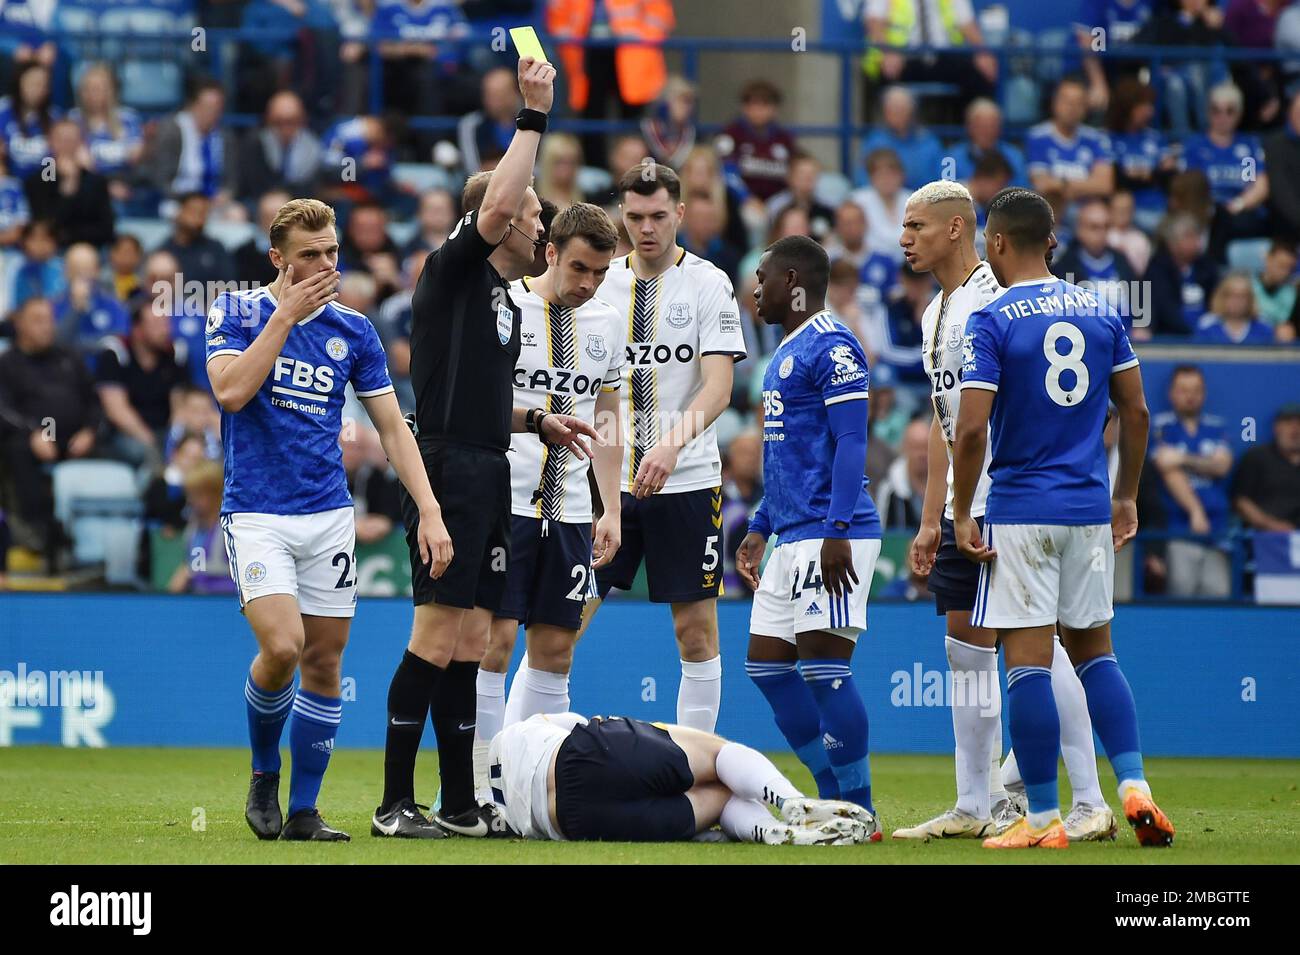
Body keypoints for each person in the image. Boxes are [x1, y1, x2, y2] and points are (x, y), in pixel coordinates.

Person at [372, 57, 599, 841]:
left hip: (490, 465)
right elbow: (501, 198)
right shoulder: (453, 273)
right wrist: (533, 118)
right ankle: (393, 803)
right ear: (496, 222)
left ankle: (459, 801)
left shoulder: (503, 300)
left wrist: (538, 423)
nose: (540, 223)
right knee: (434, 637)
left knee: (471, 640)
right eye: (532, 214)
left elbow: (481, 402)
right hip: (445, 470)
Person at [205, 197, 453, 842]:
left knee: (324, 663)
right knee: (282, 646)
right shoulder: (236, 311)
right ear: (278, 259)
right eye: (309, 254)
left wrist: (428, 509)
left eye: (332, 253)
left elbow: (393, 428)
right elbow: (231, 392)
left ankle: (306, 811)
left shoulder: (356, 330)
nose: (323, 265)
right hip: (257, 512)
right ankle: (264, 771)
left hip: (328, 517)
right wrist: (284, 319)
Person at [952, 187, 1174, 849]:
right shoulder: (1102, 312)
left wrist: (963, 511)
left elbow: (969, 431)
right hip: (1086, 508)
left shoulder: (991, 318)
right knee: (1096, 656)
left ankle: (1044, 817)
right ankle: (1133, 783)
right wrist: (1126, 493)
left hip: (1021, 507)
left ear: (995, 243)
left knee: (1025, 665)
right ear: (1050, 240)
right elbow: (1135, 413)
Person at [894, 180, 1110, 843]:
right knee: (963, 648)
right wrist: (932, 518)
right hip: (965, 507)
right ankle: (977, 798)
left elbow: (1010, 417)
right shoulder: (936, 312)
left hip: (1005, 505)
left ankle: (1090, 799)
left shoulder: (1000, 302)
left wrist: (983, 504)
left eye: (917, 226)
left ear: (958, 229)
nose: (905, 238)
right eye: (902, 226)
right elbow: (946, 422)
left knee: (1040, 653)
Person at [576, 162, 747, 736]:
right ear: (620, 215)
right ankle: (520, 768)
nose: (646, 228)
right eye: (634, 216)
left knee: (695, 632)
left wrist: (671, 446)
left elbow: (718, 386)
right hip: (605, 486)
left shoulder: (708, 282)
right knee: (564, 622)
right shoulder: (600, 282)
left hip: (688, 481)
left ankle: (694, 763)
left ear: (679, 211)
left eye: (657, 215)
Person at [474, 203, 626, 796]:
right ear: (552, 251)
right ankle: (477, 785)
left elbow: (610, 413)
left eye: (600, 272)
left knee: (557, 647)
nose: (588, 284)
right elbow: (475, 403)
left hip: (569, 507)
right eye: (580, 268)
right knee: (494, 642)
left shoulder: (610, 322)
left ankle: (524, 783)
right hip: (502, 497)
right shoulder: (503, 305)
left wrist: (610, 505)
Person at [734, 235, 882, 836]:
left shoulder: (833, 343)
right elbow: (790, 457)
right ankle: (832, 796)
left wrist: (838, 527)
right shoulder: (783, 353)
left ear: (792, 281)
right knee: (766, 667)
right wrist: (759, 526)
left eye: (763, 276)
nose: (754, 288)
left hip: (832, 531)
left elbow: (851, 441)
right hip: (791, 531)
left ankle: (862, 809)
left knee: (825, 669)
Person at [487, 712, 876, 844]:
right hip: (575, 755)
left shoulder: (485, 807)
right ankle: (788, 801)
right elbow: (585, 725)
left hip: (570, 821)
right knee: (716, 752)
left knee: (721, 800)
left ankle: (769, 832)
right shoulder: (515, 732)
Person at [0, 297, 99, 565]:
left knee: (117, 453)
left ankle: (94, 544)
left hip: (77, 440)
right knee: (16, 450)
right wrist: (33, 432)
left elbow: (93, 400)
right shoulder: (7, 363)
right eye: (38, 321)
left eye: (49, 320)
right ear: (19, 324)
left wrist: (90, 431)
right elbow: (4, 408)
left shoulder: (69, 357)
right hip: (30, 441)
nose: (47, 327)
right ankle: (36, 534)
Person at [1151, 366, 1233, 598]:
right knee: (1181, 596)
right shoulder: (1161, 426)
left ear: (1204, 394)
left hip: (1217, 533)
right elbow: (1166, 466)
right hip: (1178, 530)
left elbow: (1222, 466)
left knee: (1219, 596)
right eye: (1183, 389)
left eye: (1196, 390)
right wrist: (1196, 511)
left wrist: (1183, 458)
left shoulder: (1216, 427)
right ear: (1171, 393)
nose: (1190, 395)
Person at [1026, 78, 1115, 203]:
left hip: (1088, 209)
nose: (1072, 108)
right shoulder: (1037, 136)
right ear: (1054, 103)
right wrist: (1088, 184)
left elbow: (1105, 185)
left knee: (1098, 215)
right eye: (1067, 102)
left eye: (1078, 103)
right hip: (1052, 207)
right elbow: (1042, 185)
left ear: (1086, 107)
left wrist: (1061, 183)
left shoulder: (1096, 138)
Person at [1232, 403, 1300, 531]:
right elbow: (1241, 501)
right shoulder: (1257, 457)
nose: (1295, 430)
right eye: (1288, 423)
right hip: (1265, 536)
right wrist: (1271, 525)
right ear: (1276, 428)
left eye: (1299, 424)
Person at [1194, 272, 1276, 344]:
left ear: (1250, 300)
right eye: (1231, 296)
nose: (1237, 301)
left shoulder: (1263, 327)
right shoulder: (1206, 325)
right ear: (1222, 298)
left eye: (1242, 296)